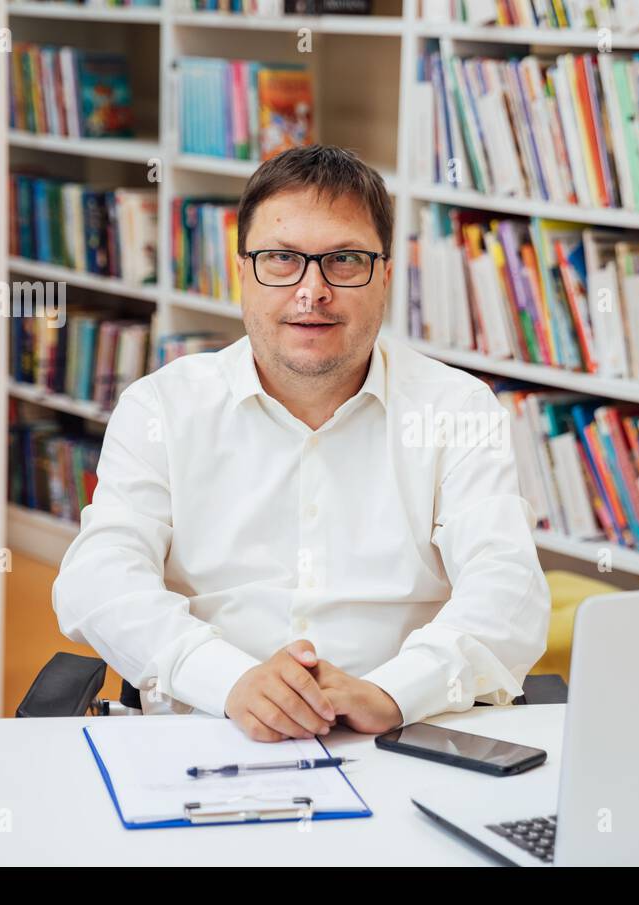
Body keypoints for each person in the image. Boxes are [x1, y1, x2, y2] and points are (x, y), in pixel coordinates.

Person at [52, 144, 550, 741]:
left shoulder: (458, 409)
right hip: (209, 732)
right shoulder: (161, 407)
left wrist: (393, 692)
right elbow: (97, 580)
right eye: (282, 259)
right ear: (242, 272)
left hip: (402, 737)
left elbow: (509, 589)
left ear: (385, 275)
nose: (312, 291)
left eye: (344, 260)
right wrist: (228, 679)